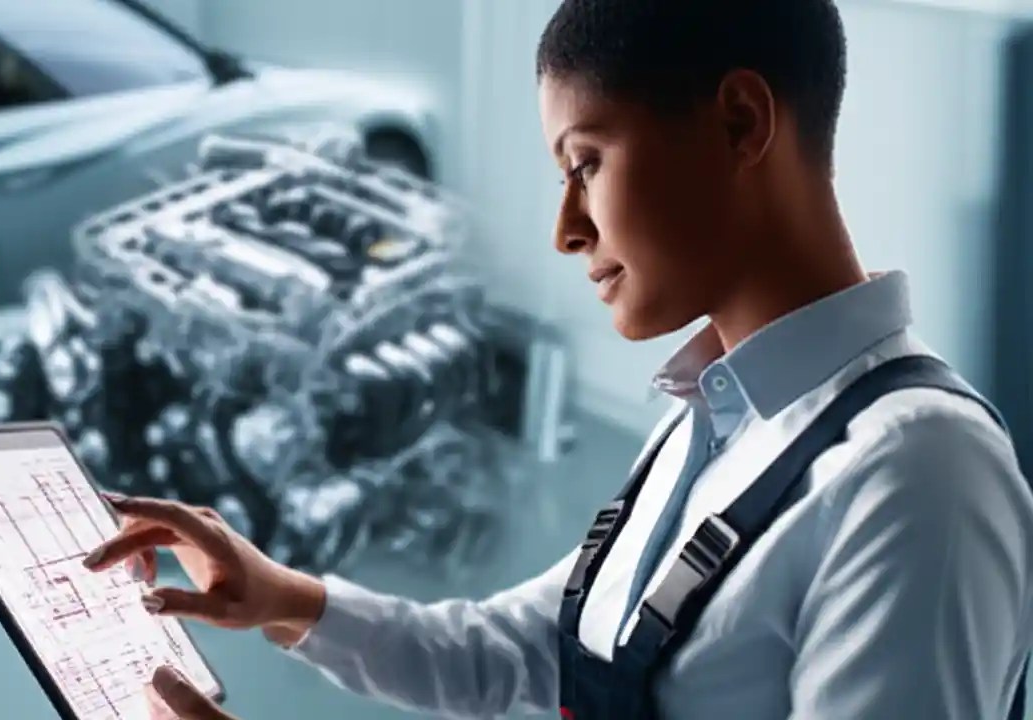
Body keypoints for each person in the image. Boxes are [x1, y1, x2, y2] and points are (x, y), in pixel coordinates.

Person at [85, 0, 1033, 718]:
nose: (565, 230)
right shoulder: (704, 422)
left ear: (741, 123)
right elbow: (523, 651)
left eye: (586, 164)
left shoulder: (917, 475)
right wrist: (285, 599)